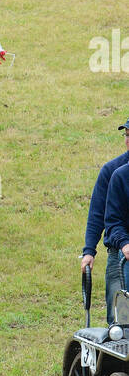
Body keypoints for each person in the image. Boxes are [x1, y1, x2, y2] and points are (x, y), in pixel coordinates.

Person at [83, 119, 129, 320]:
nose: (128, 140)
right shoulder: (113, 172)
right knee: (120, 322)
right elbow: (98, 214)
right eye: (127, 135)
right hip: (119, 254)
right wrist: (89, 250)